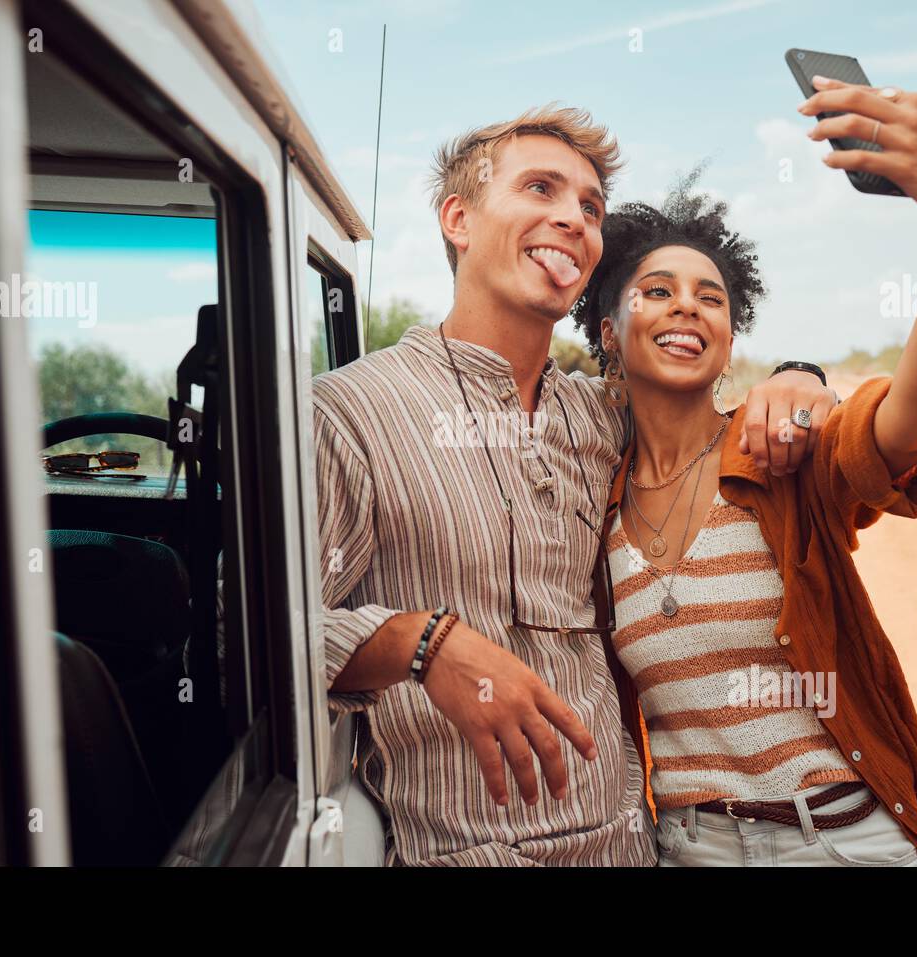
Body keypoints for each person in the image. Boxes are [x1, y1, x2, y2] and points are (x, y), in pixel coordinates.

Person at [313, 105, 836, 865]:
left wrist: (800, 374)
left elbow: (700, 406)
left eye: (590, 207)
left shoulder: (600, 417)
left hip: (629, 845)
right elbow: (255, 633)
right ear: (458, 217)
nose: (573, 219)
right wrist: (419, 642)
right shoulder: (353, 410)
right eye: (541, 189)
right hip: (461, 852)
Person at [573, 76, 917, 867]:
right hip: (687, 847)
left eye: (711, 299)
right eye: (655, 292)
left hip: (839, 841)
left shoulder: (783, 453)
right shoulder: (592, 494)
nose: (686, 307)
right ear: (608, 330)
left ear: (729, 339)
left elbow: (911, 417)